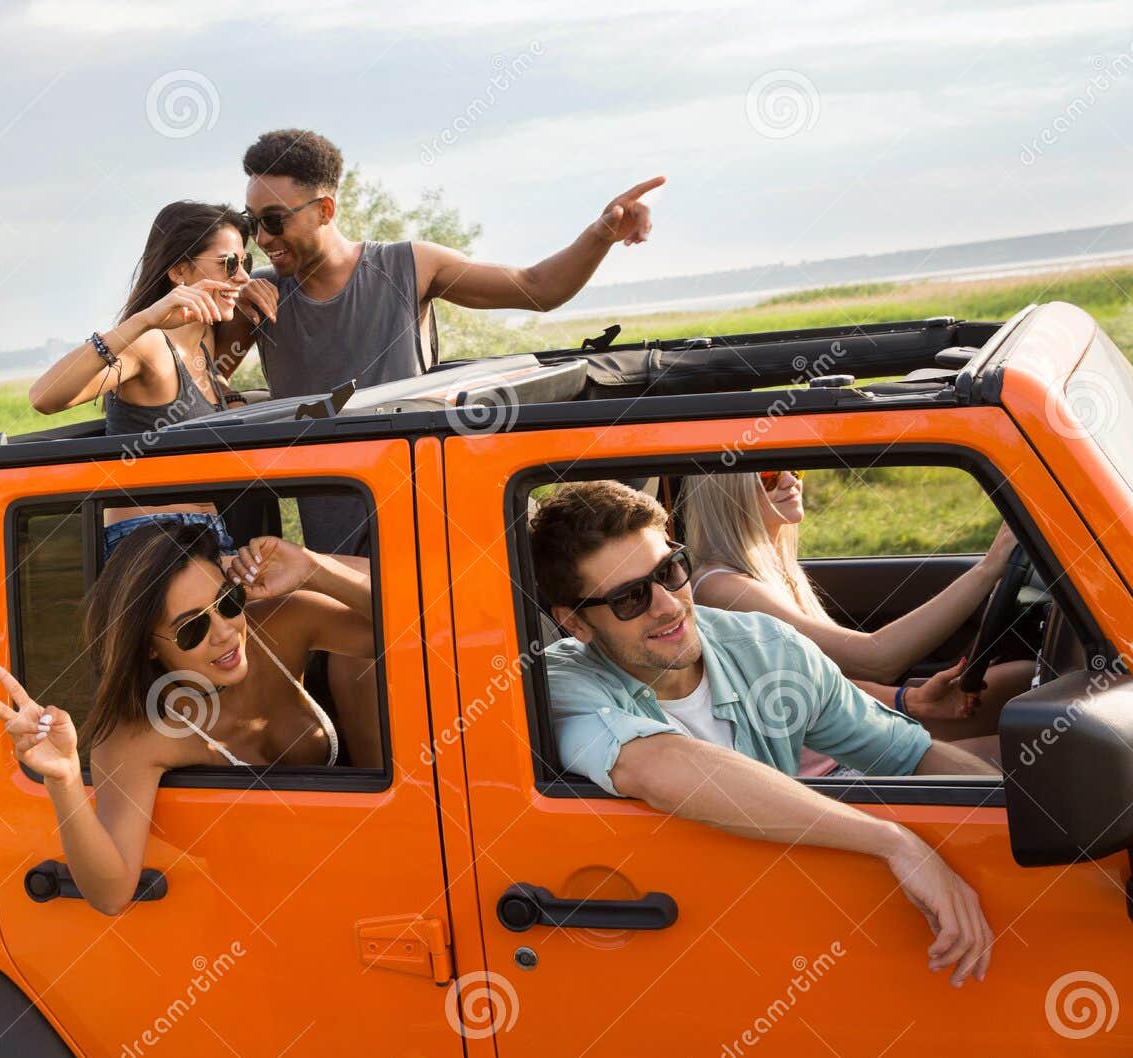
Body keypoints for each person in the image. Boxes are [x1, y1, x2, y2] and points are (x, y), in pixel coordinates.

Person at [530, 480, 997, 987]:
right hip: (673, 956)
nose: (667, 605)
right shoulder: (557, 685)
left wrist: (1021, 818)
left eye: (669, 571)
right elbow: (658, 767)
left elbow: (911, 754)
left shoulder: (765, 646)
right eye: (629, 598)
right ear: (575, 624)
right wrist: (893, 842)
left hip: (788, 925)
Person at [216, 128, 664, 557]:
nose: (263, 238)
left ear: (326, 210)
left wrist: (603, 233)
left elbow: (538, 288)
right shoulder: (258, 299)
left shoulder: (408, 266)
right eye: (251, 222)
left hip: (433, 523)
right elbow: (190, 389)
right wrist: (225, 302)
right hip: (331, 546)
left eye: (273, 221)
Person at [0, 522, 372, 915]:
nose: (225, 633)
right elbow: (111, 893)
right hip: (254, 916)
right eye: (191, 628)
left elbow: (420, 617)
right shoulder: (141, 735)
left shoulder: (279, 626)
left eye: (228, 602)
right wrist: (64, 779)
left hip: (359, 877)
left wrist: (313, 569)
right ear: (148, 647)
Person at [680, 470, 1031, 765]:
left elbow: (827, 681)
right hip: (832, 772)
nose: (790, 481)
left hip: (848, 738)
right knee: (1036, 755)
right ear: (727, 495)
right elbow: (876, 659)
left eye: (794, 469)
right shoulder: (723, 588)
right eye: (769, 477)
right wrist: (989, 568)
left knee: (1023, 680)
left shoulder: (771, 570)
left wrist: (908, 699)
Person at [28, 200, 278, 554]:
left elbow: (214, 378)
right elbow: (44, 397)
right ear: (178, 272)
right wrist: (144, 319)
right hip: (152, 541)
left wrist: (245, 296)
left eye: (246, 262)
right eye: (229, 264)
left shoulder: (203, 337)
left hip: (206, 535)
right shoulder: (149, 345)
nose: (242, 275)